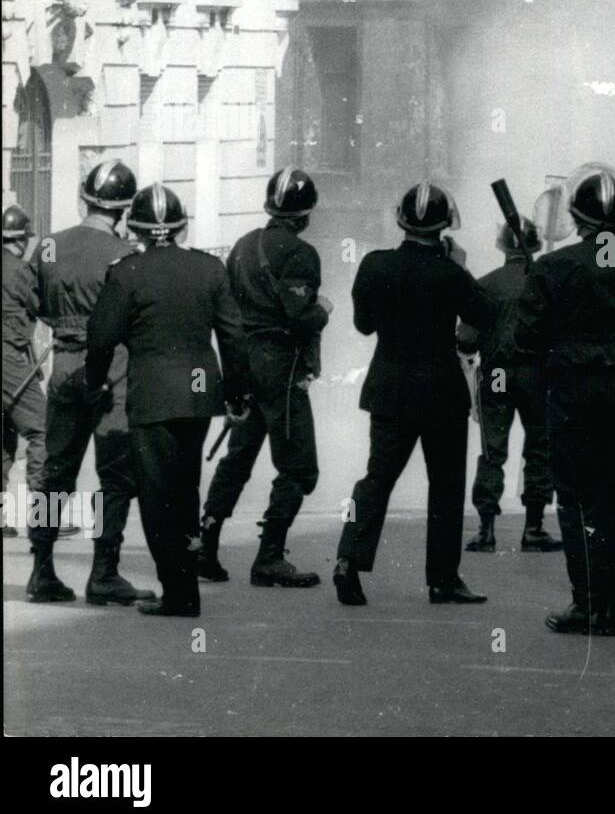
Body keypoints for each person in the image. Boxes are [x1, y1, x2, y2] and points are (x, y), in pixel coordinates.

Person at [514, 163, 615, 636]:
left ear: (575, 215)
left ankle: (586, 603)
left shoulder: (553, 267)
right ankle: (609, 603)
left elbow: (526, 338)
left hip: (572, 395)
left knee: (576, 501)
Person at [85, 184, 250, 617]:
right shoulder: (209, 268)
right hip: (197, 388)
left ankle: (178, 593)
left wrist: (95, 382)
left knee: (157, 497)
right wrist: (237, 394)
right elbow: (233, 337)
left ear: (135, 227)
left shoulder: (126, 271)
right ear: (180, 226)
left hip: (153, 392)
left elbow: (101, 338)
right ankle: (188, 580)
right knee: (185, 485)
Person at [333, 183, 496, 607]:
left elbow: (364, 325)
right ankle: (443, 579)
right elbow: (485, 315)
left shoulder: (374, 265)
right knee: (445, 487)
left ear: (401, 220)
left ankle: (348, 560)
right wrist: (461, 267)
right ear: (444, 226)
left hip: (389, 390)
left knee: (374, 481)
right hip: (441, 392)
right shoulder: (451, 273)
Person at [29, 160, 154, 606]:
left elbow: (36, 303)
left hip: (63, 363)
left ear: (84, 198)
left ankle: (40, 569)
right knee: (116, 475)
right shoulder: (125, 255)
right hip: (113, 366)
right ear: (122, 210)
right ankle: (104, 572)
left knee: (55, 471)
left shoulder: (47, 245)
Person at [198, 168, 331, 587]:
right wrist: (324, 309)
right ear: (305, 214)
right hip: (280, 365)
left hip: (242, 361)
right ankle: (270, 555)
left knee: (237, 459)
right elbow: (299, 316)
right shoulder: (301, 254)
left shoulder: (241, 246)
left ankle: (207, 545)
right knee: (298, 465)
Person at [459, 217, 562, 554]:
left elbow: (467, 340)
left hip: (499, 374)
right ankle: (533, 528)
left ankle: (486, 530)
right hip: (536, 375)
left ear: (501, 246)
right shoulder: (546, 283)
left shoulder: (485, 285)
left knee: (492, 449)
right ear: (534, 246)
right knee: (540, 448)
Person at [2, 205, 45, 539]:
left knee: (4, 438)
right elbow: (43, 306)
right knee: (43, 429)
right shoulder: (20, 271)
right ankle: (43, 518)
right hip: (9, 359)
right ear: (22, 240)